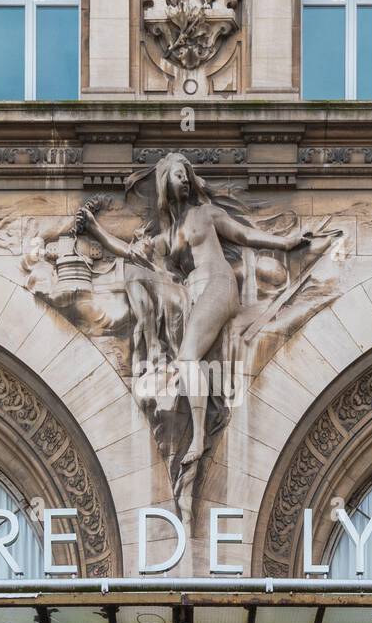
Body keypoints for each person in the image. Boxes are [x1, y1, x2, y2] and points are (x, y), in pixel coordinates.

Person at [78, 152, 312, 468]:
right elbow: (131, 253)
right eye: (178, 175)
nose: (185, 180)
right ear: (164, 184)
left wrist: (286, 243)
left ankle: (199, 438)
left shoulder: (206, 215)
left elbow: (243, 234)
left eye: (187, 175)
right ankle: (163, 362)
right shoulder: (167, 236)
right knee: (134, 274)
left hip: (217, 283)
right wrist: (94, 228)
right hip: (193, 292)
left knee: (188, 358)